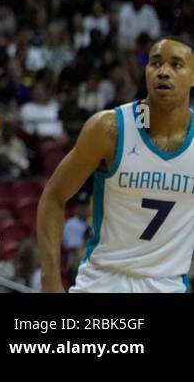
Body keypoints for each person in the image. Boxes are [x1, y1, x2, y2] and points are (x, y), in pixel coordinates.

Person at [37, 37, 194, 293]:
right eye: (155, 63)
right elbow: (53, 196)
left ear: (193, 77)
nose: (163, 71)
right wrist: (50, 279)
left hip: (169, 286)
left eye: (176, 65)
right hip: (103, 282)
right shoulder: (109, 129)